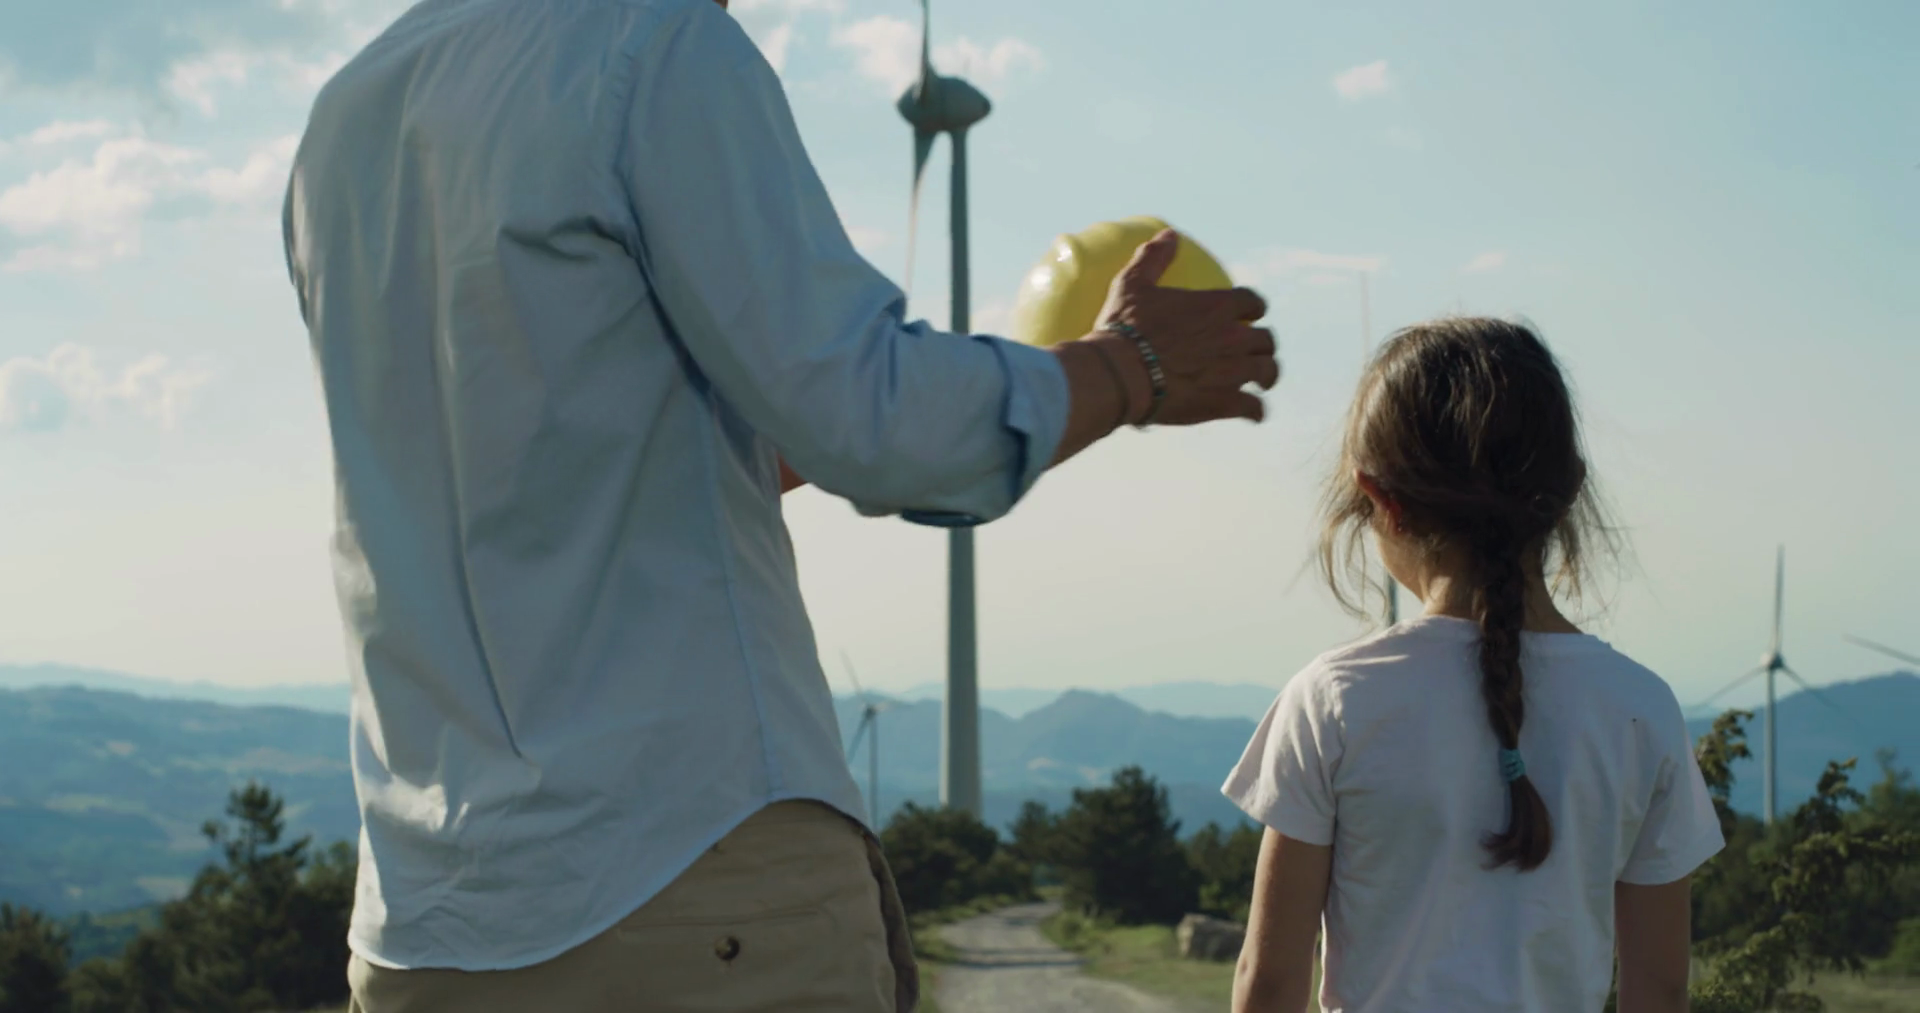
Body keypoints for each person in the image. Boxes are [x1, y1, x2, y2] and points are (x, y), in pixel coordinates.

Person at [280, 0, 1278, 1009]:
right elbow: (869, 422)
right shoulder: (652, 46)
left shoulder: (345, 116)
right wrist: (1125, 368)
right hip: (685, 888)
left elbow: (555, 466)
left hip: (428, 929)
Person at [1223, 318, 1722, 1013]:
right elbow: (1660, 989)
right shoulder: (1642, 707)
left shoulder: (1335, 698)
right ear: (1571, 486)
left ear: (1382, 500)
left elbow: (1270, 983)